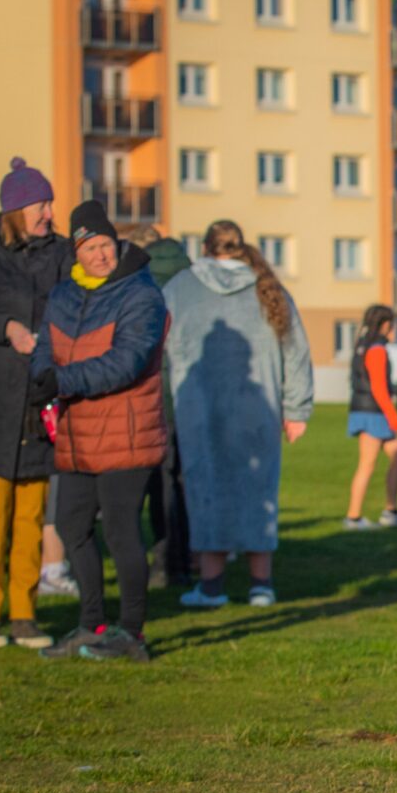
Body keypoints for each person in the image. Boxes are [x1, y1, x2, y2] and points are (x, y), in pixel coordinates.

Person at [29, 201, 167, 661]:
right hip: (78, 432)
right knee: (71, 525)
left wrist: (62, 381)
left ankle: (132, 634)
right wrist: (42, 376)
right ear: (77, 251)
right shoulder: (65, 294)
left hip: (128, 433)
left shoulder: (140, 293)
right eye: (90, 247)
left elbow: (127, 361)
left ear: (117, 242)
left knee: (123, 532)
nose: (100, 255)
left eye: (105, 244)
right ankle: (91, 624)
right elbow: (45, 348)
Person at [165, 220, 314, 609]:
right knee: (258, 492)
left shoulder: (180, 288)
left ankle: (212, 586)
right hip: (258, 409)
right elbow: (296, 352)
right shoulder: (269, 288)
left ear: (206, 247)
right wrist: (296, 409)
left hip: (199, 410)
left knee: (206, 490)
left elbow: (154, 345)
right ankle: (261, 584)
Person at [0, 158, 72, 650]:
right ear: (15, 208)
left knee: (32, 515)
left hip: (38, 404)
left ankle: (25, 615)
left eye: (51, 203)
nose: (50, 213)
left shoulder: (61, 253)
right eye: (42, 204)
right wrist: (3, 328)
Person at [127, 224, 194, 588]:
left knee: (157, 483)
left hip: (154, 395)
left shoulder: (140, 280)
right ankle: (188, 560)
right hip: (191, 394)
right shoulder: (191, 277)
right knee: (184, 482)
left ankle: (161, 562)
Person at [343, 304, 397, 530]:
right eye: (391, 324)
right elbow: (378, 388)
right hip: (372, 413)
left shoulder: (362, 345)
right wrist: (392, 416)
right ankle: (353, 517)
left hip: (367, 410)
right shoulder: (376, 349)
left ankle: (391, 511)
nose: (393, 329)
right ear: (384, 325)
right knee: (367, 464)